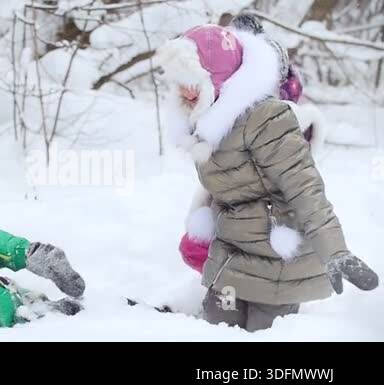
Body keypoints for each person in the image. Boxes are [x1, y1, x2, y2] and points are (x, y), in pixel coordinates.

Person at [156, 14, 379, 332]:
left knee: (266, 335)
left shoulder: (265, 119)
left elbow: (304, 187)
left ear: (217, 77)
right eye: (180, 82)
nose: (185, 92)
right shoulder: (204, 124)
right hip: (231, 267)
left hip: (279, 268)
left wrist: (335, 251)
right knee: (213, 331)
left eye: (193, 81)